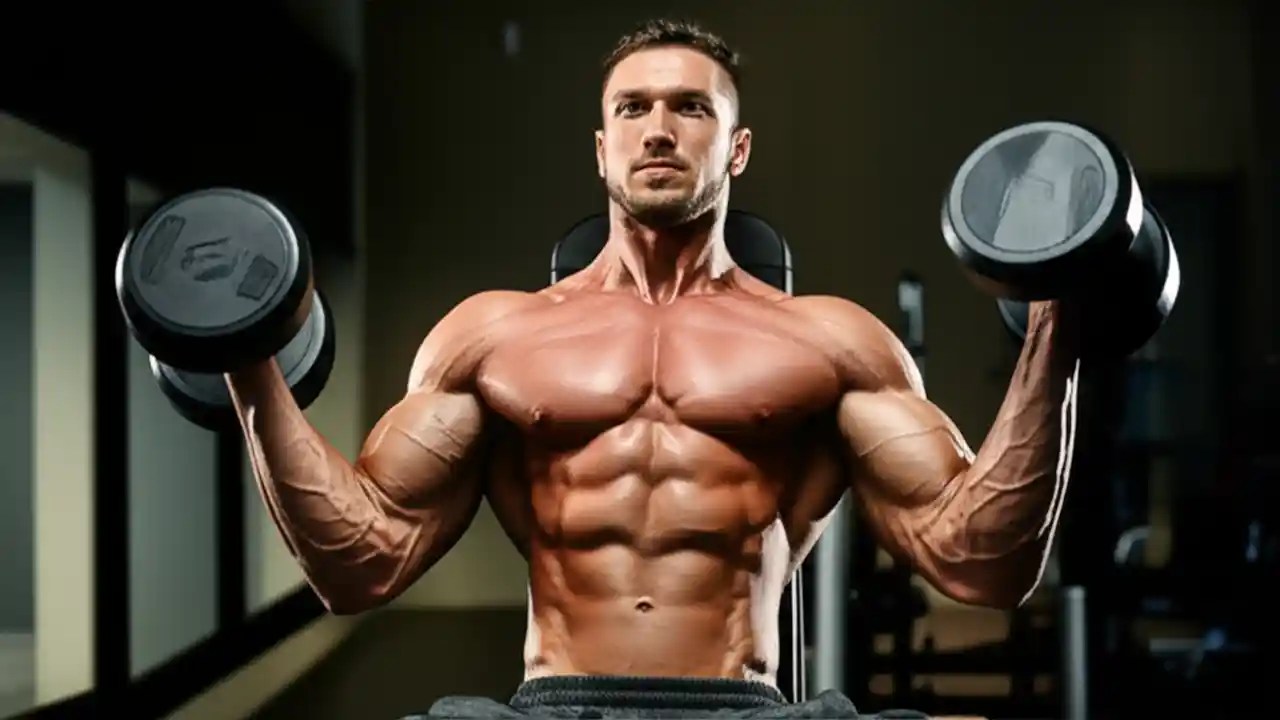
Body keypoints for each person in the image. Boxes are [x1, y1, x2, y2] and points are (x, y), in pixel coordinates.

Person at [225, 18, 1080, 720]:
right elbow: (360, 563)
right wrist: (245, 360)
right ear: (602, 149)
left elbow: (983, 562)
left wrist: (1057, 323)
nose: (660, 129)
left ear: (736, 149)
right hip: (556, 703)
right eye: (632, 108)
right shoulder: (492, 337)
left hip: (744, 707)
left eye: (690, 108)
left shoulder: (830, 343)